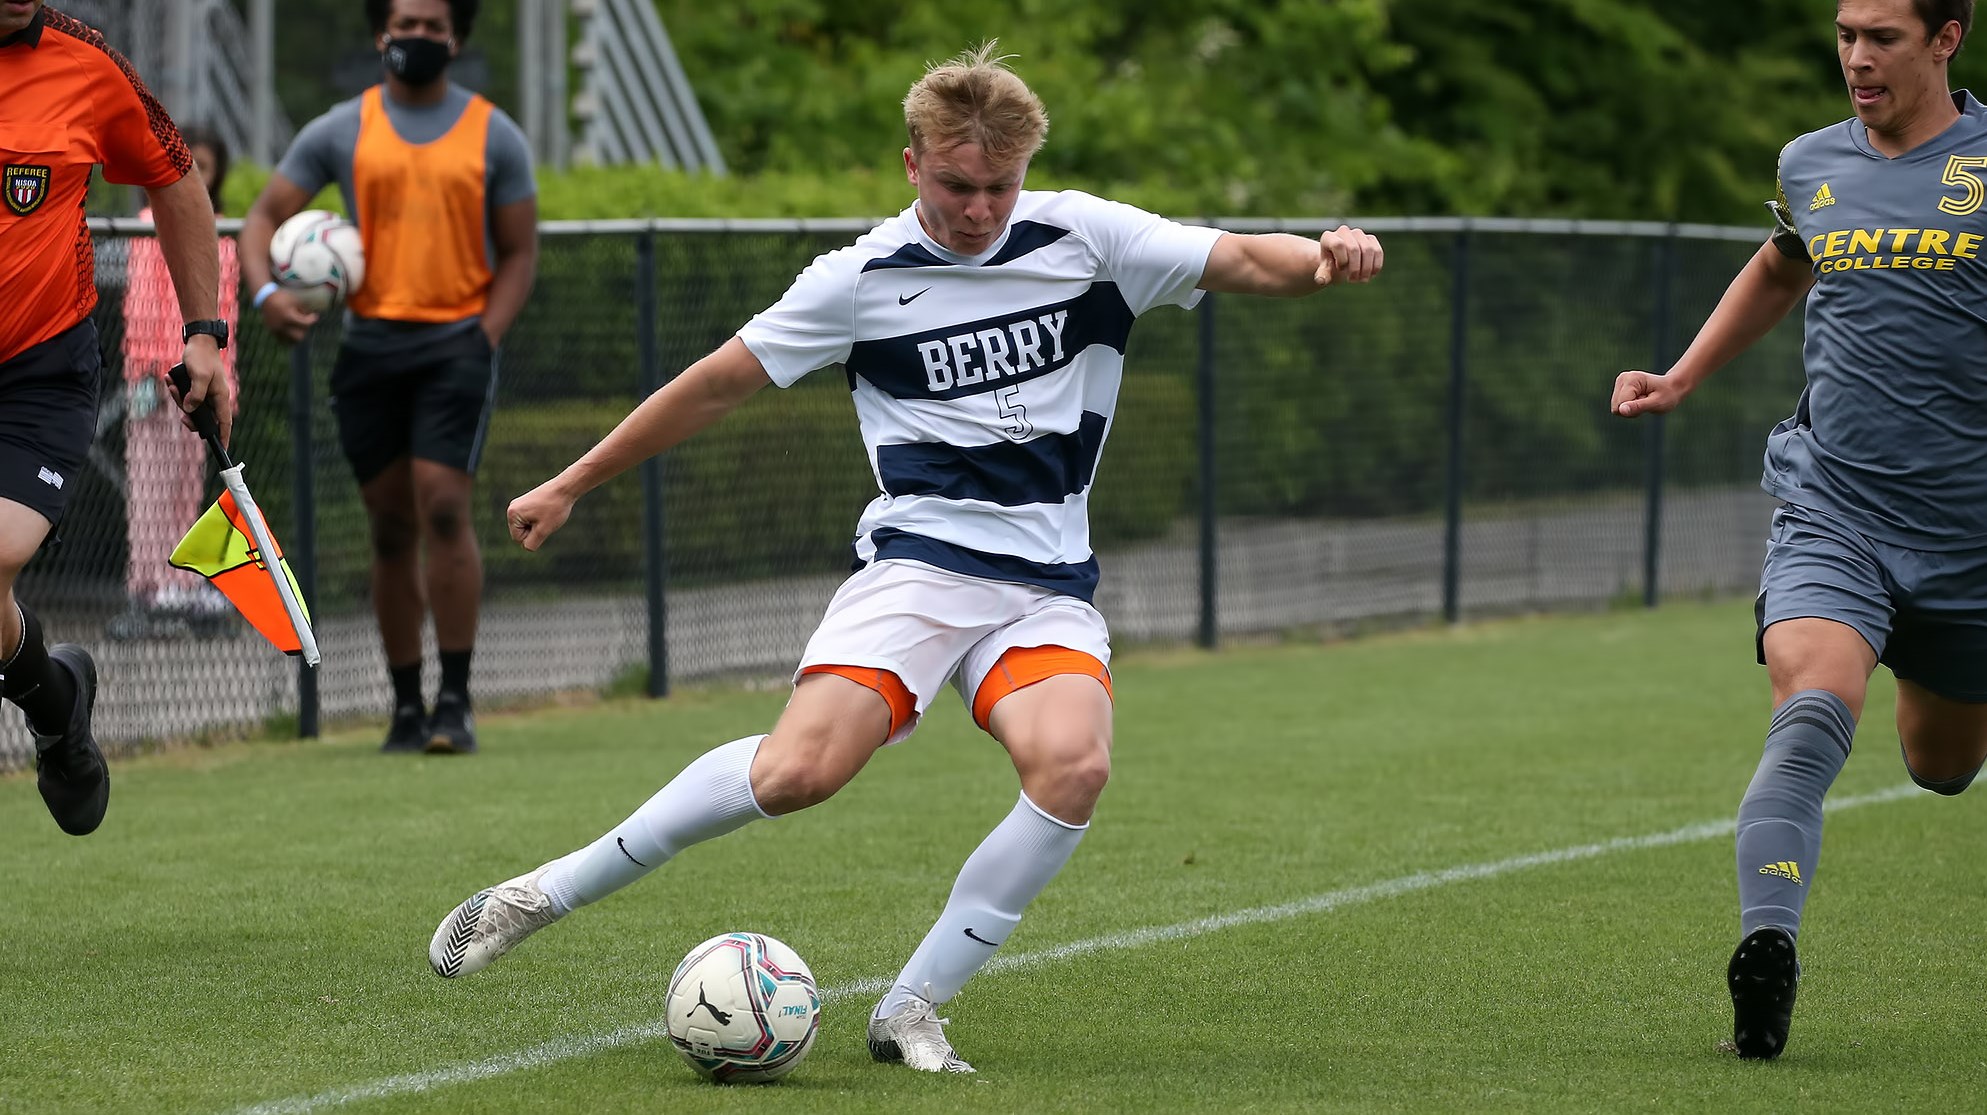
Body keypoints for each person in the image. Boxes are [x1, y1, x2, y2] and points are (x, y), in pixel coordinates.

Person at [426, 42, 1382, 1073]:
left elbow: (1241, 258)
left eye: (1000, 187)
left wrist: (1322, 257)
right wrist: (571, 481)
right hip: (918, 571)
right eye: (957, 185)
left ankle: (913, 1004)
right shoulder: (859, 279)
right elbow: (715, 384)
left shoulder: (1086, 236)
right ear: (912, 163)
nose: (980, 209)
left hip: (1045, 588)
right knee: (796, 772)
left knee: (1074, 764)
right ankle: (542, 892)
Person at [1609, 0, 1985, 1062]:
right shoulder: (1810, 162)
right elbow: (1783, 262)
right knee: (1811, 698)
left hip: (1968, 537)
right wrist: (1682, 373)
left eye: (1883, 38)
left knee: (1941, 764)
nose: (1856, 59)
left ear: (1945, 38)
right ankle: (1766, 944)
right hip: (1835, 508)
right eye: (1844, 35)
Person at [241, 0, 538, 755]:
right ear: (381, 32)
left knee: (443, 506)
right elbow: (261, 220)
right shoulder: (340, 129)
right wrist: (267, 294)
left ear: (456, 38)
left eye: (433, 26)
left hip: (455, 347)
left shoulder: (493, 133)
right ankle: (406, 706)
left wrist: (484, 337)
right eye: (405, 24)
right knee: (390, 525)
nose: (418, 37)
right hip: (368, 353)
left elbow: (520, 252)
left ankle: (455, 702)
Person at [0, 1, 228, 835]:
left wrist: (203, 335)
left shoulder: (86, 62)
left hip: (38, 375)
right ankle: (56, 702)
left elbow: (176, 179)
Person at [119, 125, 239, 635]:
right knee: (149, 482)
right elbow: (139, 305)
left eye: (204, 168)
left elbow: (226, 313)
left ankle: (179, 581)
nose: (195, 177)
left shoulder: (222, 234)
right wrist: (143, 367)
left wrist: (227, 377)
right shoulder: (150, 226)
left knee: (186, 487)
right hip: (157, 378)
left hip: (201, 384)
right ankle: (147, 586)